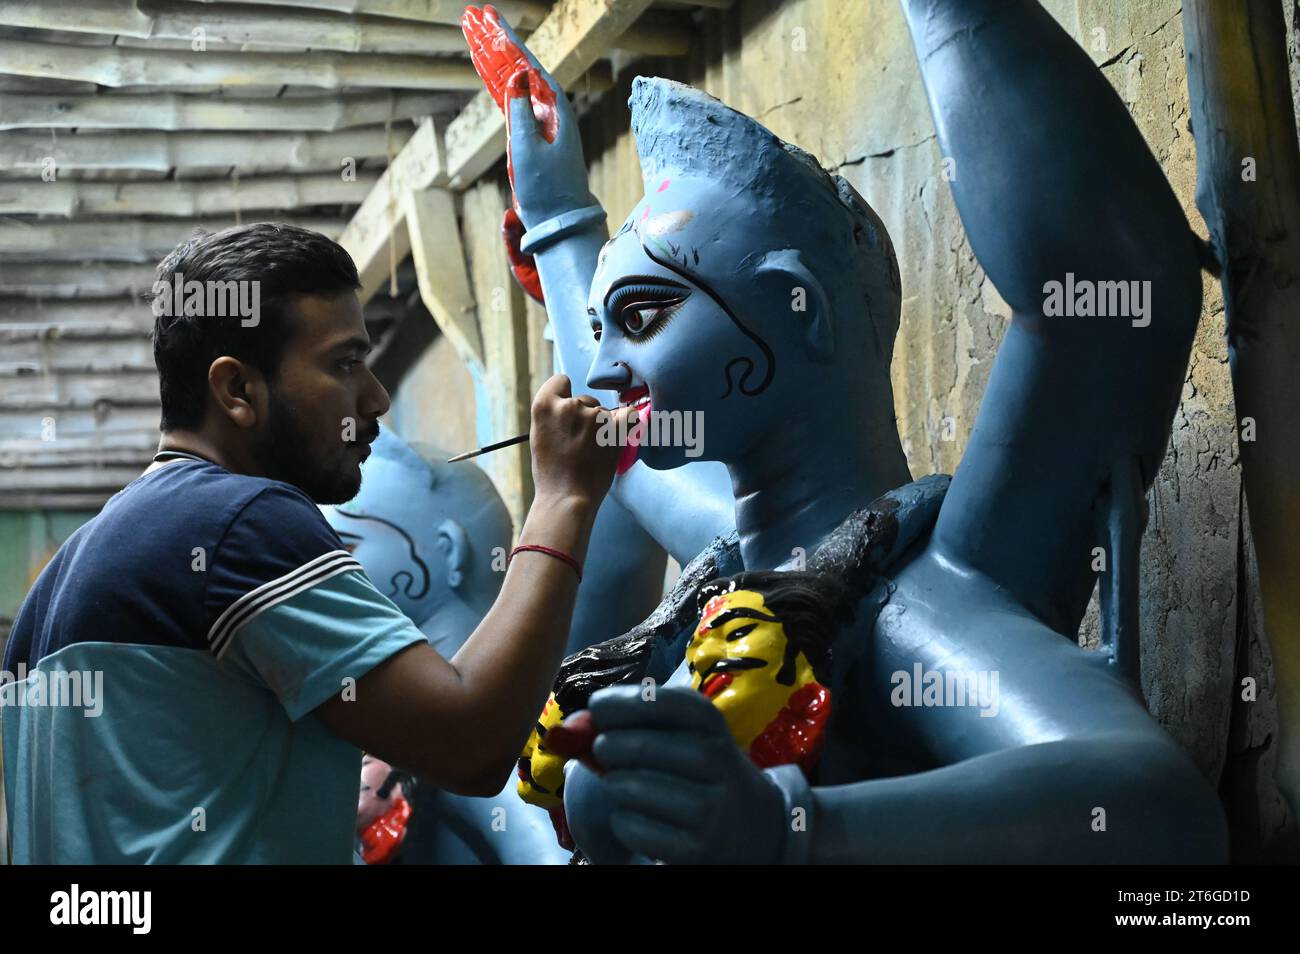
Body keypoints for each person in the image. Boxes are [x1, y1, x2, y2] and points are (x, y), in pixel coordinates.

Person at [461, 2, 1228, 863]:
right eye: (603, 332)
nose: (599, 373)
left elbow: (1161, 810)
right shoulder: (731, 560)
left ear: (803, 311)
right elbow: (630, 471)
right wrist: (558, 211)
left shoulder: (909, 603)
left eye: (640, 317)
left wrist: (788, 827)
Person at [0, 222, 632, 863]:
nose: (376, 397)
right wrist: (563, 499)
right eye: (345, 364)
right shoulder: (239, 522)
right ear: (238, 390)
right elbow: (470, 746)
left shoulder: (48, 595)